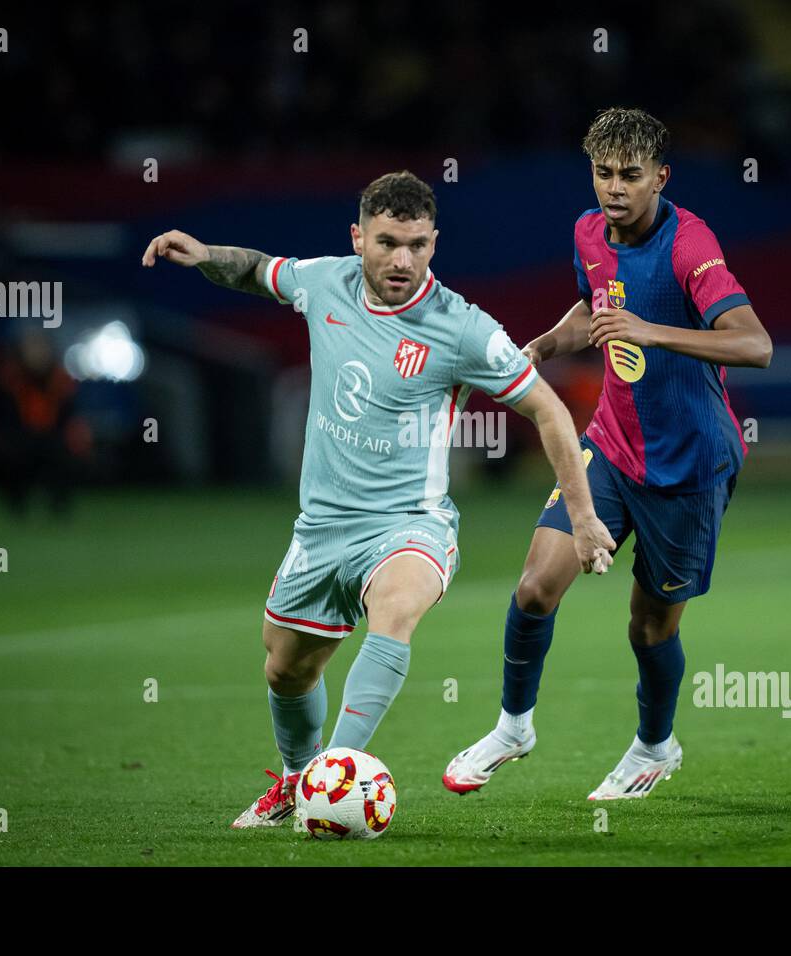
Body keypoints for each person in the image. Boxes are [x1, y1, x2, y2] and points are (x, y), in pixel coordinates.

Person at [141, 170, 616, 827]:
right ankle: (297, 777)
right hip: (324, 528)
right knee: (285, 669)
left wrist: (584, 515)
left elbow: (551, 412)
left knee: (395, 608)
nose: (403, 259)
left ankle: (332, 782)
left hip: (411, 525)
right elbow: (256, 270)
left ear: (434, 243)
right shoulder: (325, 280)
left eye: (418, 245)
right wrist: (204, 256)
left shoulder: (463, 329)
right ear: (358, 237)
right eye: (389, 242)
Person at [443, 108, 773, 800]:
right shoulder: (587, 233)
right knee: (535, 586)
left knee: (649, 626)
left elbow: (754, 344)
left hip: (689, 467)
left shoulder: (690, 246)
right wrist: (543, 345)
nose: (613, 188)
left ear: (661, 176)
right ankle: (513, 725)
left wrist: (655, 331)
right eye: (602, 172)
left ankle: (655, 746)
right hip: (612, 448)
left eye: (629, 174)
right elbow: (591, 307)